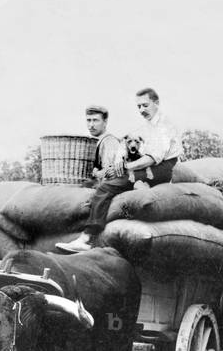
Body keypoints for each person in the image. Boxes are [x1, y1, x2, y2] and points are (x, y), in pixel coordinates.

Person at [58, 88, 183, 252]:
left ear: (156, 103)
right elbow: (129, 146)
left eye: (145, 105)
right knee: (110, 179)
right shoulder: (148, 126)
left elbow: (151, 158)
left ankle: (87, 238)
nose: (141, 110)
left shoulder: (163, 126)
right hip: (148, 167)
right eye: (138, 106)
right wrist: (120, 162)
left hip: (160, 169)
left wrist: (125, 167)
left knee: (106, 187)